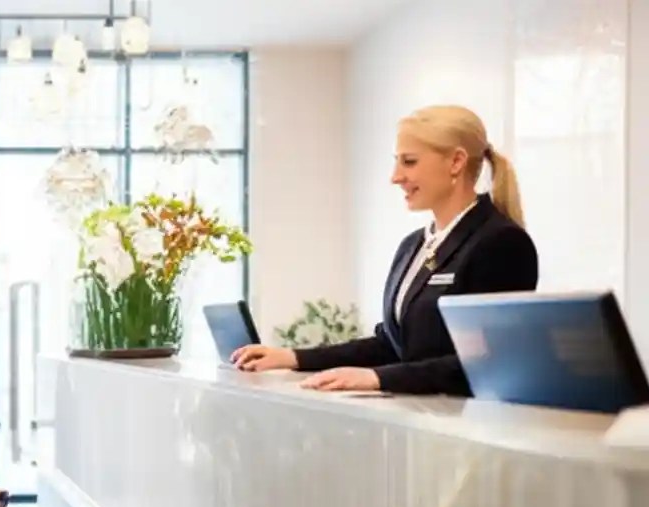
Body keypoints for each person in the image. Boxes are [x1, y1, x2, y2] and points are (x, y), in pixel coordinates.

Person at [230, 104, 538, 396]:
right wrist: (292, 357)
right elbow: (390, 344)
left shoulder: (501, 243)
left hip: (464, 425)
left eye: (409, 162)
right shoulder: (413, 246)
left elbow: (489, 360)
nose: (395, 177)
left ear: (456, 161)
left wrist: (378, 378)